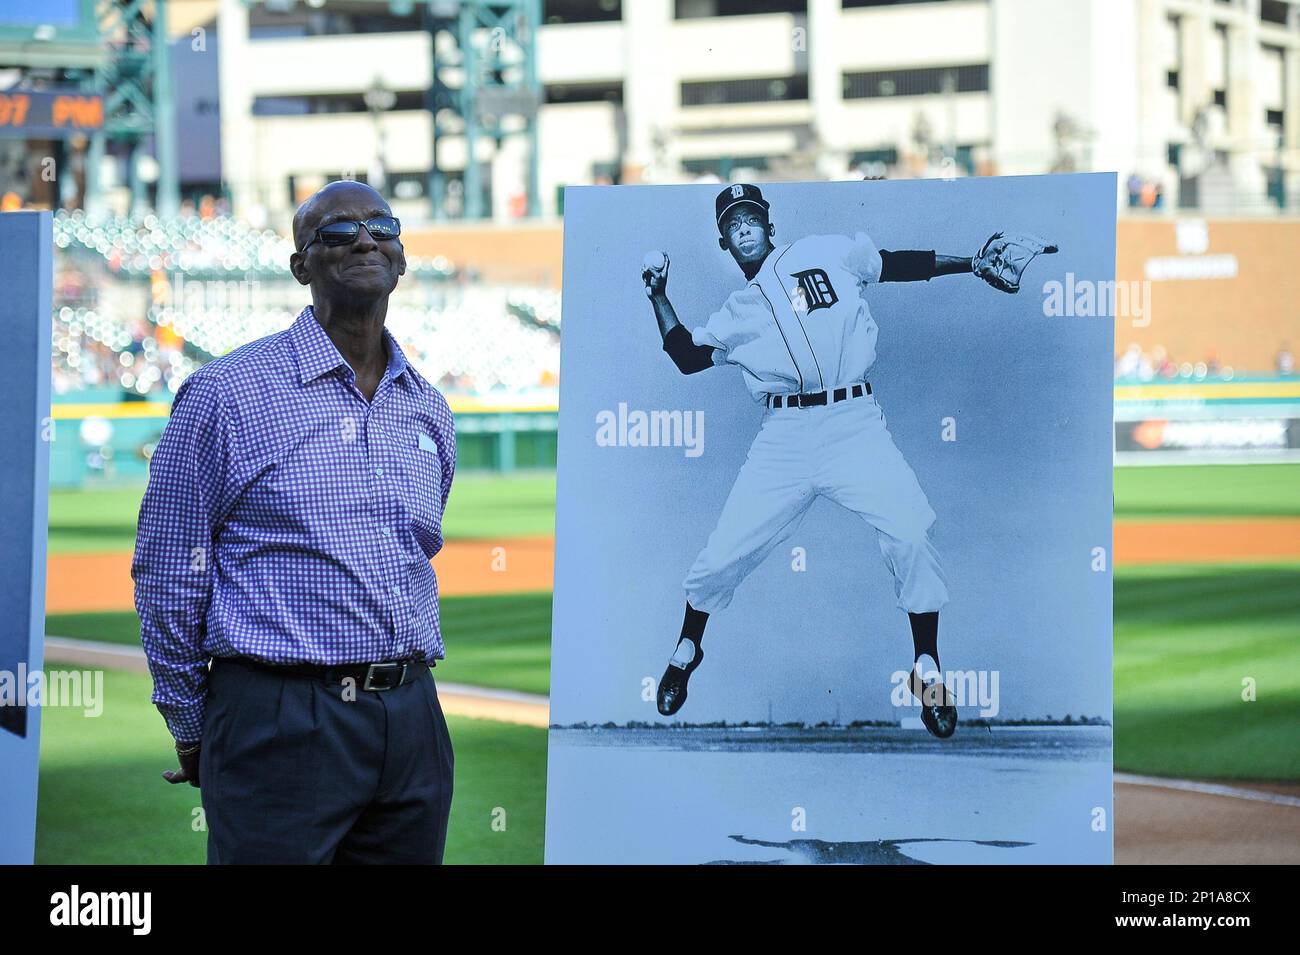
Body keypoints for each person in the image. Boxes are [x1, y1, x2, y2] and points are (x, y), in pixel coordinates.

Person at [642, 183, 1054, 739]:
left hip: (853, 423)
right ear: (724, 242)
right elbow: (687, 357)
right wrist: (658, 295)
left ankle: (926, 668)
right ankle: (687, 648)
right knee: (722, 555)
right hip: (784, 435)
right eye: (733, 222)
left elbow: (891, 264)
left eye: (751, 216)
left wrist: (972, 263)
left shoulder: (823, 252)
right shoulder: (736, 312)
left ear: (770, 226)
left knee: (909, 531)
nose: (744, 226)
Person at [132, 180, 457, 863]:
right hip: (280, 714)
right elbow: (167, 566)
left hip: (411, 714)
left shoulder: (427, 407)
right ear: (301, 266)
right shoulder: (227, 391)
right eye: (337, 232)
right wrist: (194, 727)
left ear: (400, 257)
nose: (364, 239)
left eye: (381, 226)